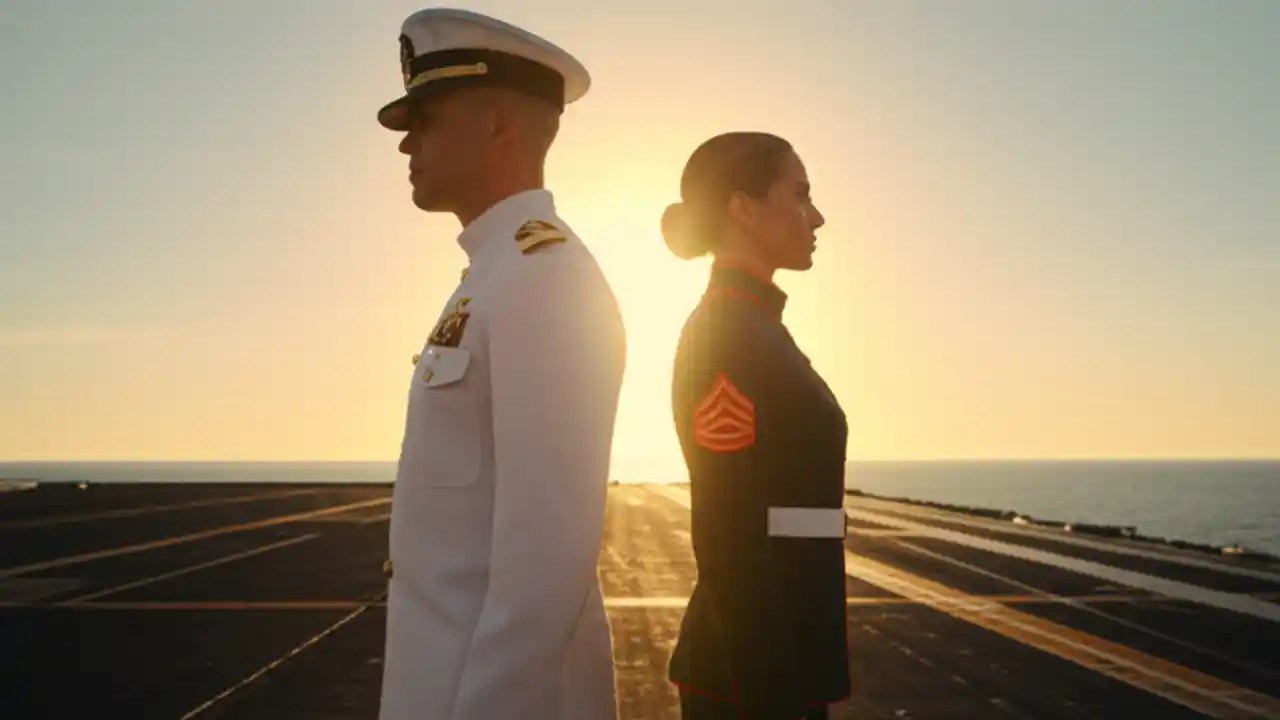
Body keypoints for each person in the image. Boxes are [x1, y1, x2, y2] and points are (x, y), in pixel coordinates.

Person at [374, 8, 626, 720]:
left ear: (495, 124)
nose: (407, 144)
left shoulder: (544, 278)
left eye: (425, 117)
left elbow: (543, 576)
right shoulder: (495, 273)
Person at [662, 132, 851, 719]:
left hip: (782, 658)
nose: (815, 216)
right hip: (753, 675)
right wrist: (769, 687)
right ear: (743, 208)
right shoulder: (729, 335)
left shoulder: (755, 328)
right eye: (799, 194)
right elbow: (728, 533)